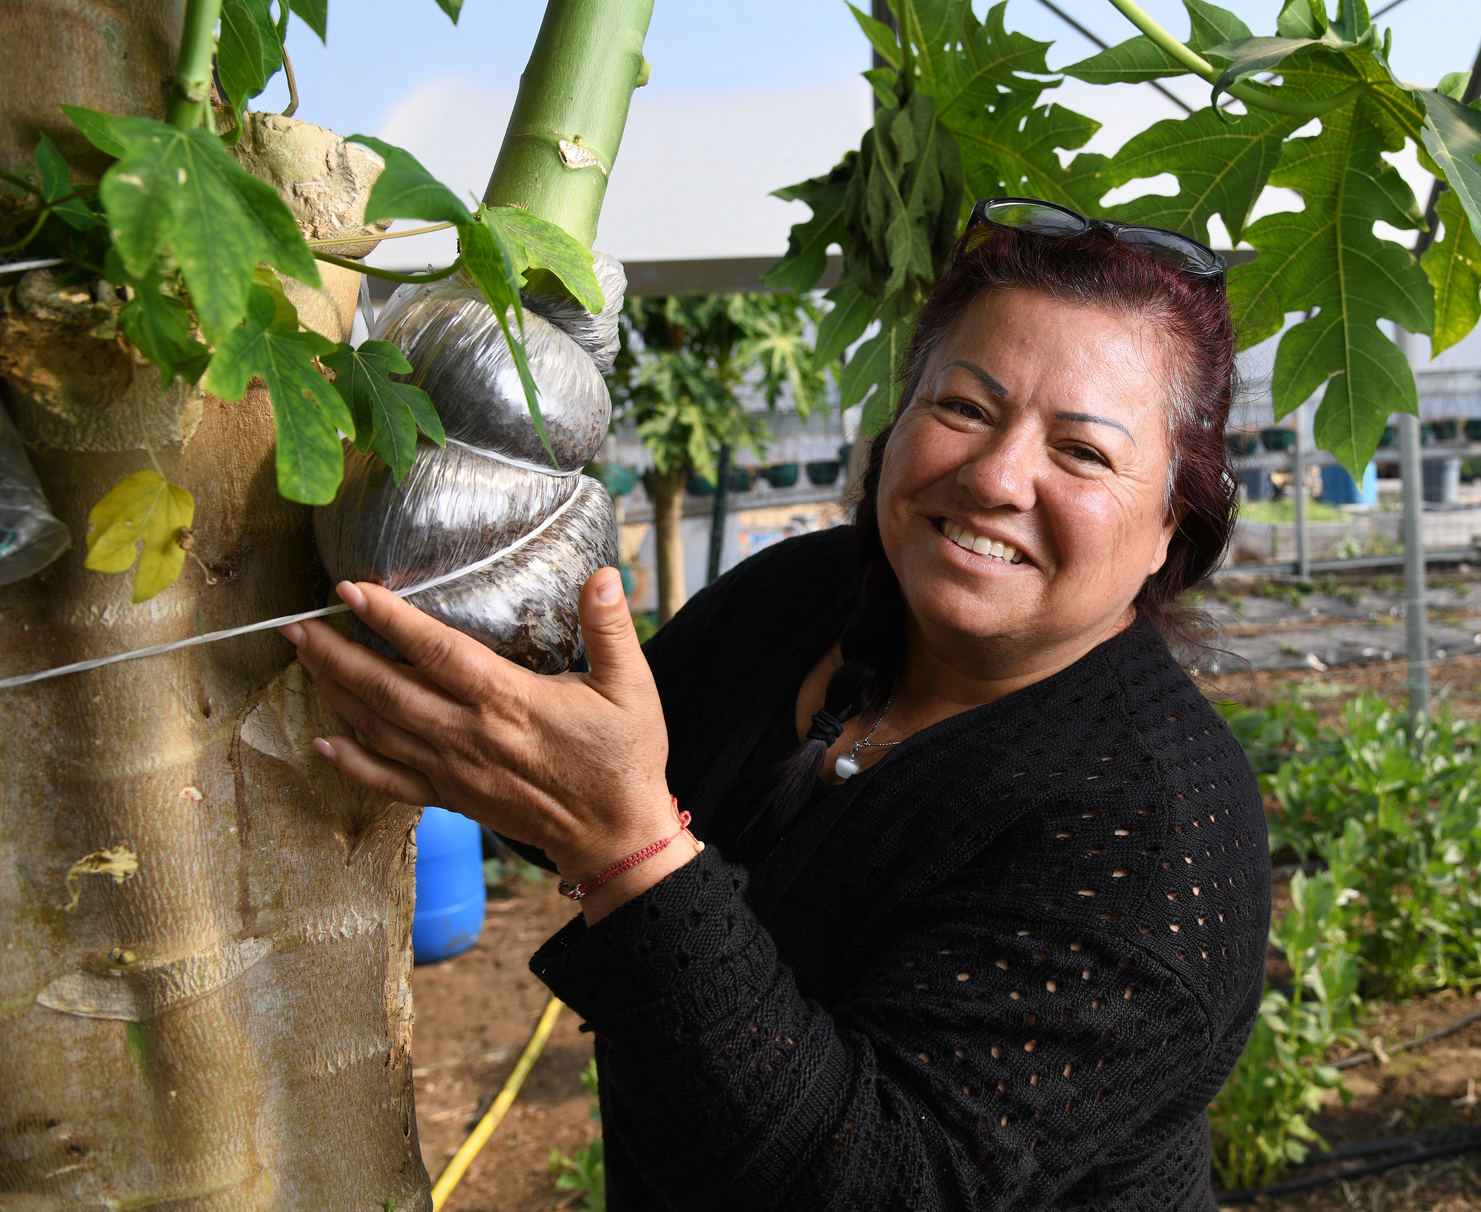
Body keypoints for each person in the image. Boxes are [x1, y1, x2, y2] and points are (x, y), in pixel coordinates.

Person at [282, 197, 1272, 1210]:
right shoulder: (805, 592)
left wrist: (626, 848)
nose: (997, 476)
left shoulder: (1155, 836)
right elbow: (574, 787)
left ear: (1173, 524)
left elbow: (868, 1184)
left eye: (1083, 452)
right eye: (964, 408)